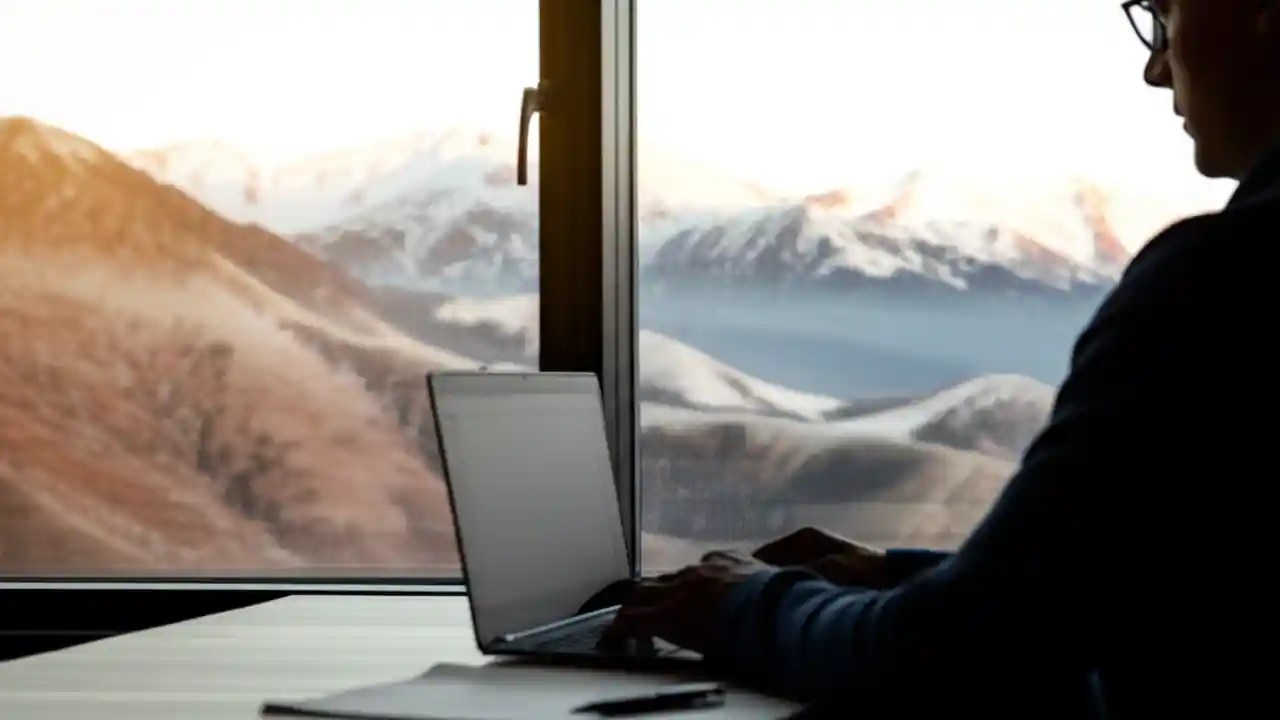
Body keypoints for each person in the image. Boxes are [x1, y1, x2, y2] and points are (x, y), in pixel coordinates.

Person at [603, 1, 1279, 717]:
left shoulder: (1220, 281)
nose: (1154, 67)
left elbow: (957, 653)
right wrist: (903, 576)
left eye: (1165, 14)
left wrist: (747, 606)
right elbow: (1156, 593)